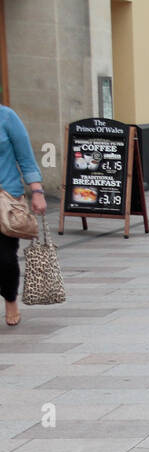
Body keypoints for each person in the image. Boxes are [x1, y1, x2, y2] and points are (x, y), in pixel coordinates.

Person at [0, 104, 45, 328]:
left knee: (6, 259)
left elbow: (25, 158)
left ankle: (10, 299)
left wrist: (36, 192)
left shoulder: (7, 117)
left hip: (5, 200)